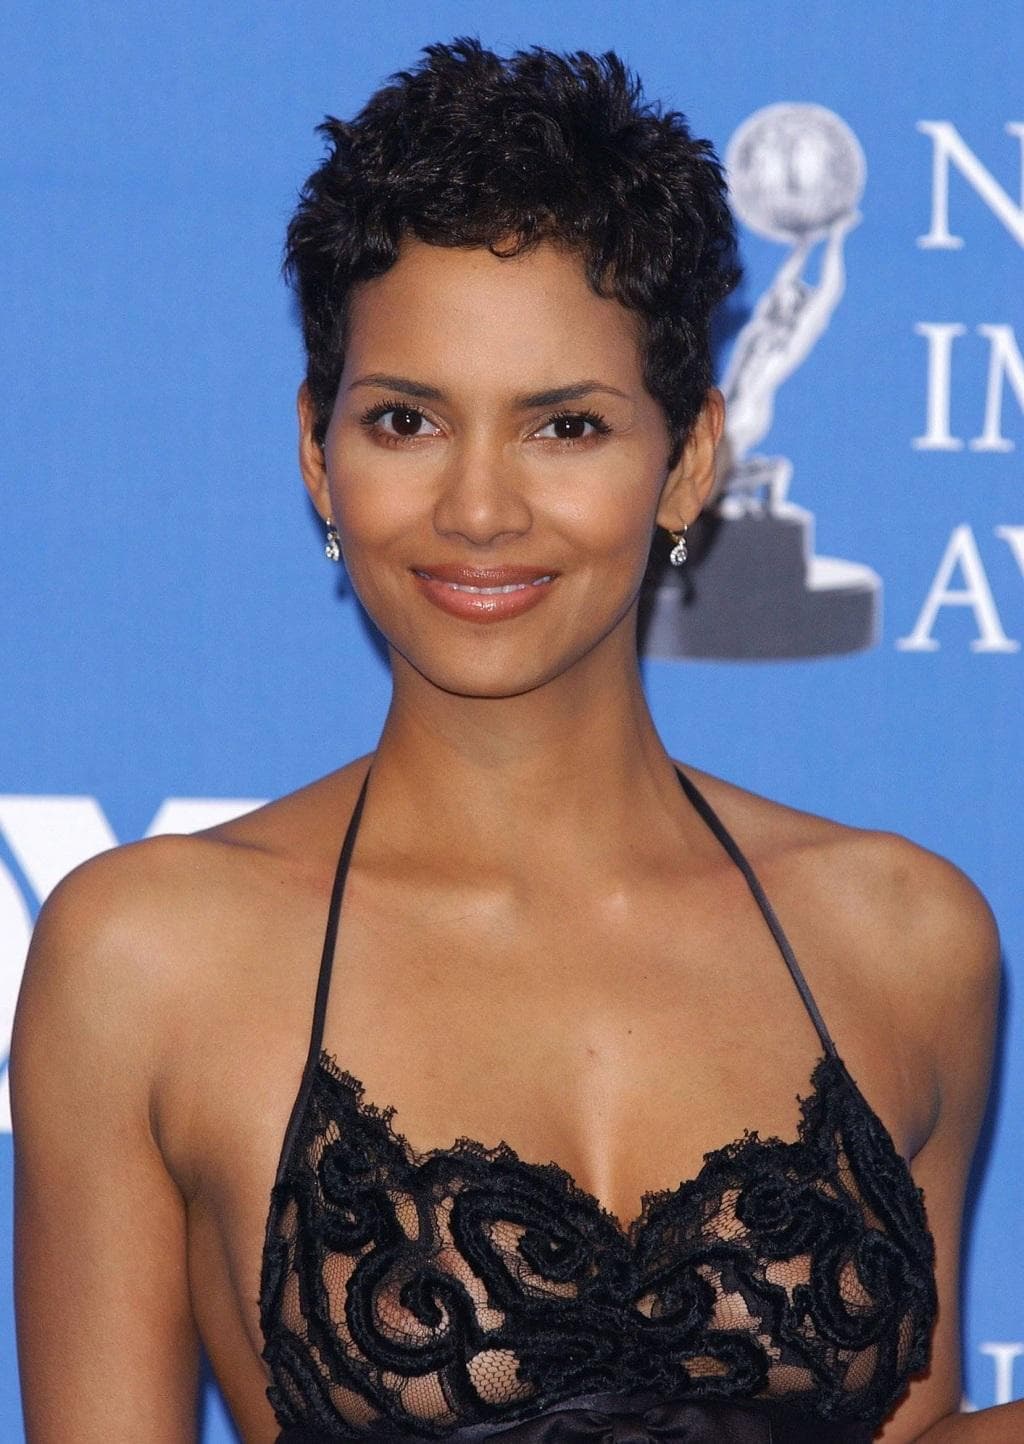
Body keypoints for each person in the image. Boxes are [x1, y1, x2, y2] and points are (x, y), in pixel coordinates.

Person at [10, 38, 1015, 1444]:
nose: (479, 509)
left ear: (689, 459)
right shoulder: (147, 957)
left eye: (566, 427)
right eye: (406, 420)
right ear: (317, 453)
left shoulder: (903, 937)